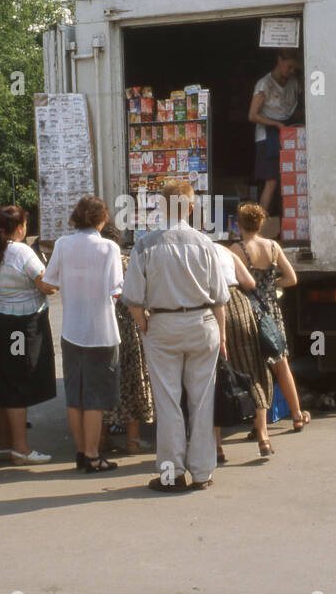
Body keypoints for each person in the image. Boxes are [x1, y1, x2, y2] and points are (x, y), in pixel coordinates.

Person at [123, 179, 230, 492]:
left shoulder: (146, 245)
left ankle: (171, 474)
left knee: (168, 402)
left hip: (164, 326)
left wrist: (144, 324)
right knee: (202, 400)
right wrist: (221, 335)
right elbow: (219, 298)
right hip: (203, 323)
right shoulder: (206, 244)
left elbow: (133, 299)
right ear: (192, 208)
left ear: (161, 206)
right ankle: (202, 473)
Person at [41, 196, 124, 473]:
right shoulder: (109, 248)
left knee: (75, 395)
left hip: (71, 329)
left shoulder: (63, 244)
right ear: (102, 218)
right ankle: (92, 454)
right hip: (101, 329)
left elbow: (48, 281)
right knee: (96, 397)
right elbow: (116, 288)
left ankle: (81, 451)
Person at [0, 205, 55, 465]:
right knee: (18, 383)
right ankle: (21, 449)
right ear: (20, 227)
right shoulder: (22, 252)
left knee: (0, 383)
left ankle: (3, 444)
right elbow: (46, 286)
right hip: (21, 327)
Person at [232, 202, 311, 433]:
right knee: (281, 364)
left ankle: (260, 426)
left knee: (255, 370)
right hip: (271, 314)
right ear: (261, 224)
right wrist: (272, 285)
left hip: (248, 313)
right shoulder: (273, 247)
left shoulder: (236, 250)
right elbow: (291, 278)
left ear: (239, 225)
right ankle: (297, 415)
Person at [212, 238, 273, 461]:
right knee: (253, 370)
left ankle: (217, 446)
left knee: (215, 378)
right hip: (238, 306)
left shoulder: (197, 252)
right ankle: (263, 437)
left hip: (211, 308)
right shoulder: (227, 252)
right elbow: (249, 283)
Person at [99, 224, 155, 456]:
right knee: (133, 381)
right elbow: (142, 295)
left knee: (102, 383)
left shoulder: (94, 264)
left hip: (101, 328)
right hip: (130, 329)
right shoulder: (127, 262)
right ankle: (133, 440)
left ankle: (101, 438)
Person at [249, 49, 302, 214]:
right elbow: (252, 115)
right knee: (271, 182)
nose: (292, 71)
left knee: (293, 177)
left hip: (289, 131)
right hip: (268, 135)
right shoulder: (264, 84)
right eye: (290, 66)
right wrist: (277, 124)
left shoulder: (293, 82)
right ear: (279, 60)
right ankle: (259, 228)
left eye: (295, 68)